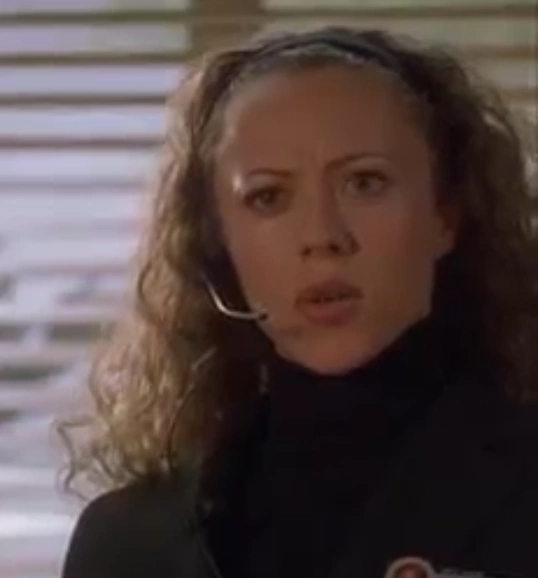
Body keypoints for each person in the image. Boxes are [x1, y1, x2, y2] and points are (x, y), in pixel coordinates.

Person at [58, 26, 538, 578]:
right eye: (268, 196)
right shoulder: (128, 541)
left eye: (365, 183)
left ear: (446, 215)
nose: (323, 236)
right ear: (219, 242)